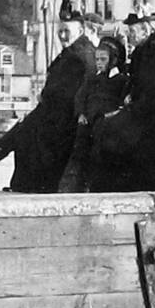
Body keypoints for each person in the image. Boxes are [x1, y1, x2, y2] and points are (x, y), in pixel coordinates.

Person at [8, 8, 95, 193]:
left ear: (80, 31)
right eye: (60, 31)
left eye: (66, 31)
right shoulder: (70, 52)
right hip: (55, 111)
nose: (62, 36)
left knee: (34, 134)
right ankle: (27, 184)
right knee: (24, 132)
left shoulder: (81, 55)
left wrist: (47, 97)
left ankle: (39, 185)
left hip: (68, 115)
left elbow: (77, 89)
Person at [91, 7, 155, 192]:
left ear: (145, 29)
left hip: (151, 111)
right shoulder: (142, 50)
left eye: (132, 31)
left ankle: (122, 185)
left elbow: (153, 88)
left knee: (112, 129)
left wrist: (131, 107)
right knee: (105, 125)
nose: (129, 35)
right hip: (140, 108)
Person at [59, 35, 127, 193]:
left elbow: (122, 103)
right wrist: (81, 113)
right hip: (88, 120)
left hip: (106, 121)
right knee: (79, 149)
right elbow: (80, 97)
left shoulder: (121, 80)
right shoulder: (92, 79)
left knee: (99, 149)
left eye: (103, 59)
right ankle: (73, 185)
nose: (99, 63)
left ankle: (96, 184)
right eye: (97, 59)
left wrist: (113, 114)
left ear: (113, 60)